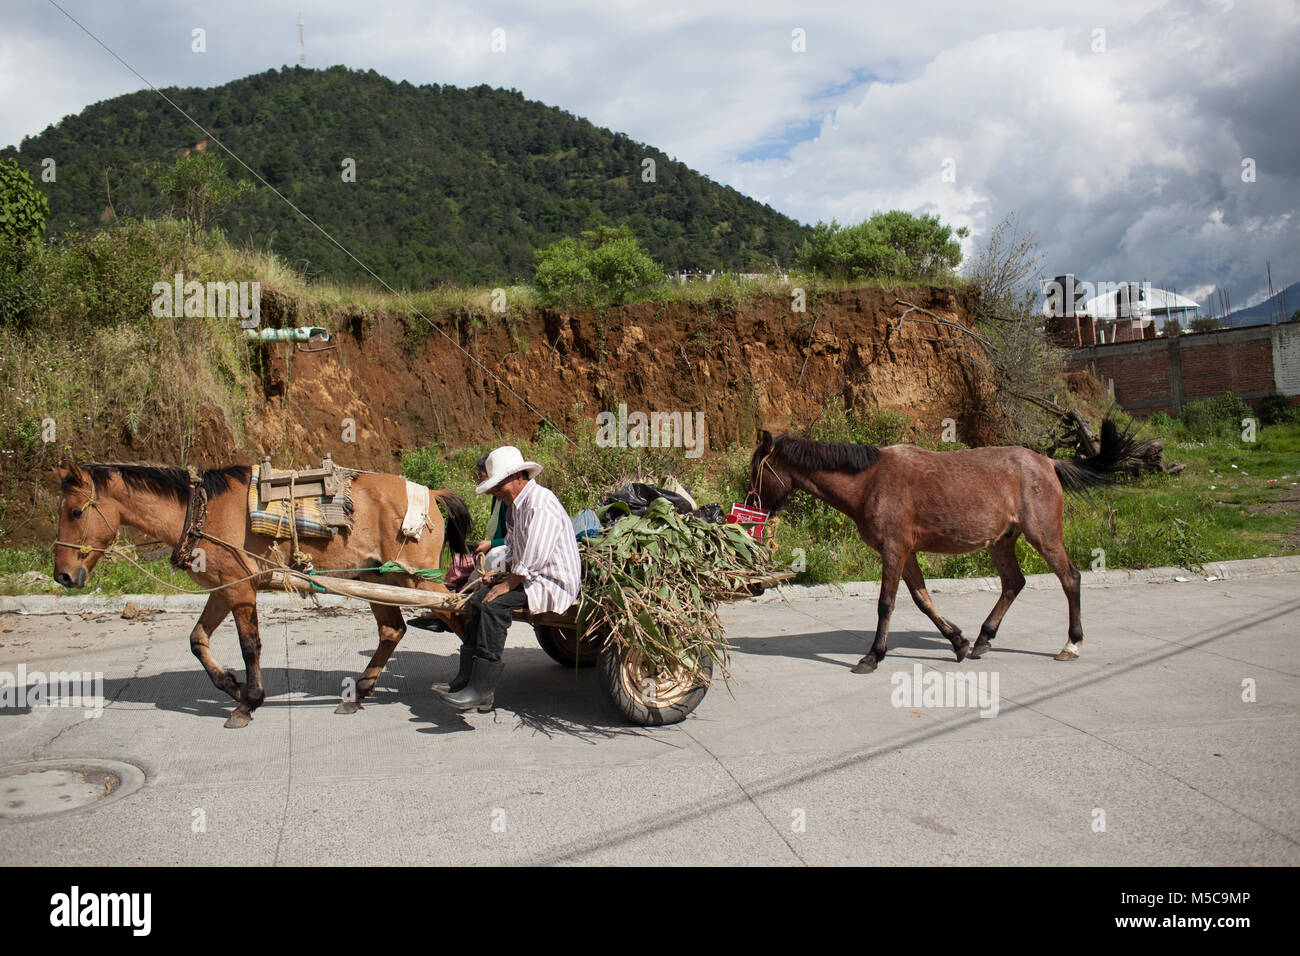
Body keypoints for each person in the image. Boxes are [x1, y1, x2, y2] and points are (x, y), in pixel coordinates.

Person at [438, 446, 582, 711]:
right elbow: (516, 548)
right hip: (530, 575)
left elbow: (536, 555)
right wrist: (501, 573)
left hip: (551, 580)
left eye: (497, 485)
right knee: (479, 599)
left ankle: (482, 690)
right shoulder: (516, 506)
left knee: (494, 606)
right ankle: (466, 678)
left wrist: (509, 582)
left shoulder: (540, 503)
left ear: (517, 477)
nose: (495, 492)